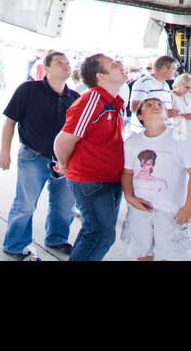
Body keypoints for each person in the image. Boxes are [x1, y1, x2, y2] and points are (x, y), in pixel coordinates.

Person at [0, 49, 79, 260]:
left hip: (65, 162)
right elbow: (10, 121)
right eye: (60, 62)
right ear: (47, 69)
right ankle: (15, 245)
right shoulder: (28, 90)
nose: (66, 65)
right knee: (25, 203)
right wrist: (4, 151)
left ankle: (57, 238)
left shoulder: (75, 98)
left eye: (67, 61)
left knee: (65, 206)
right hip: (33, 157)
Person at [54, 53, 127, 262]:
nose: (120, 65)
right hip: (91, 180)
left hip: (110, 179)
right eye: (113, 65)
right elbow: (63, 140)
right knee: (101, 235)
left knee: (93, 233)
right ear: (99, 76)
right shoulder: (93, 99)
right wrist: (64, 165)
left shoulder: (114, 101)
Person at [121, 96, 191, 261]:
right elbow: (127, 173)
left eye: (160, 105)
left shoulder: (182, 139)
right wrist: (129, 196)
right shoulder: (131, 143)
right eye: (149, 105)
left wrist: (189, 206)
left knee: (170, 255)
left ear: (166, 114)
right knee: (143, 254)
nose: (155, 106)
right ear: (140, 116)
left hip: (170, 209)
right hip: (140, 209)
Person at [129, 55, 178, 121]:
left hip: (163, 128)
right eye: (174, 69)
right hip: (146, 130)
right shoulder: (144, 83)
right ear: (164, 68)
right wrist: (163, 113)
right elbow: (134, 107)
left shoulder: (165, 85)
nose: (175, 73)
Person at [170, 73, 191, 142]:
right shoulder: (170, 96)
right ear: (178, 84)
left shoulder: (189, 95)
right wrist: (184, 116)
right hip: (178, 131)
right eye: (187, 87)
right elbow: (168, 115)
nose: (189, 90)